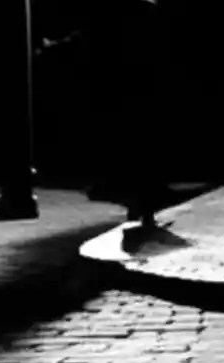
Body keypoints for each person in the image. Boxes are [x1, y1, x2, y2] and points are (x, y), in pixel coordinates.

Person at [87, 0, 166, 228]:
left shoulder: (120, 17)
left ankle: (138, 206)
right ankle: (145, 208)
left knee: (132, 147)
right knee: (145, 149)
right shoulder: (147, 16)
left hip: (127, 88)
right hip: (143, 88)